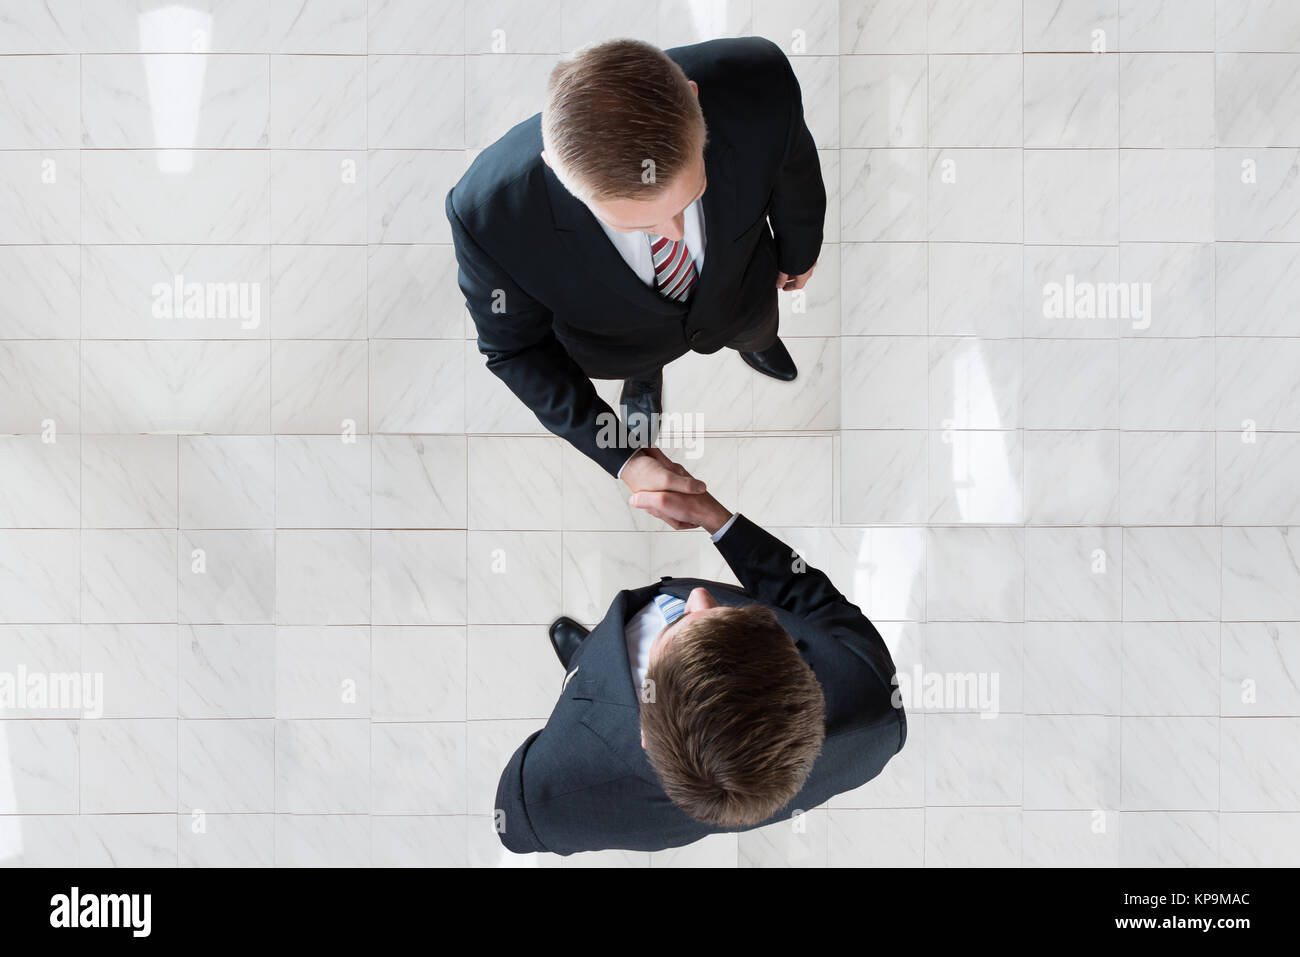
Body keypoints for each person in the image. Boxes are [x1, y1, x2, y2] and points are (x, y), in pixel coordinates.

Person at [445, 36, 825, 514]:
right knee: (642, 352)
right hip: (620, 339)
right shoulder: (489, 213)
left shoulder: (760, 81)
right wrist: (624, 459)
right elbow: (515, 348)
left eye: (691, 196)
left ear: (693, 98)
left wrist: (800, 248)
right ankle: (645, 376)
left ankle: (755, 340)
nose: (676, 233)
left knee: (754, 324)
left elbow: (794, 164)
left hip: (742, 286)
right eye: (640, 225)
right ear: (559, 173)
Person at [492, 484, 906, 855]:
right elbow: (814, 602)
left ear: (644, 735)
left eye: (678, 624)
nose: (699, 595)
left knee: (586, 672)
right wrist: (718, 521)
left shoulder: (546, 798)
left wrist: (582, 685)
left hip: (591, 695)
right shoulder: (873, 701)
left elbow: (512, 825)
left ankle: (587, 664)